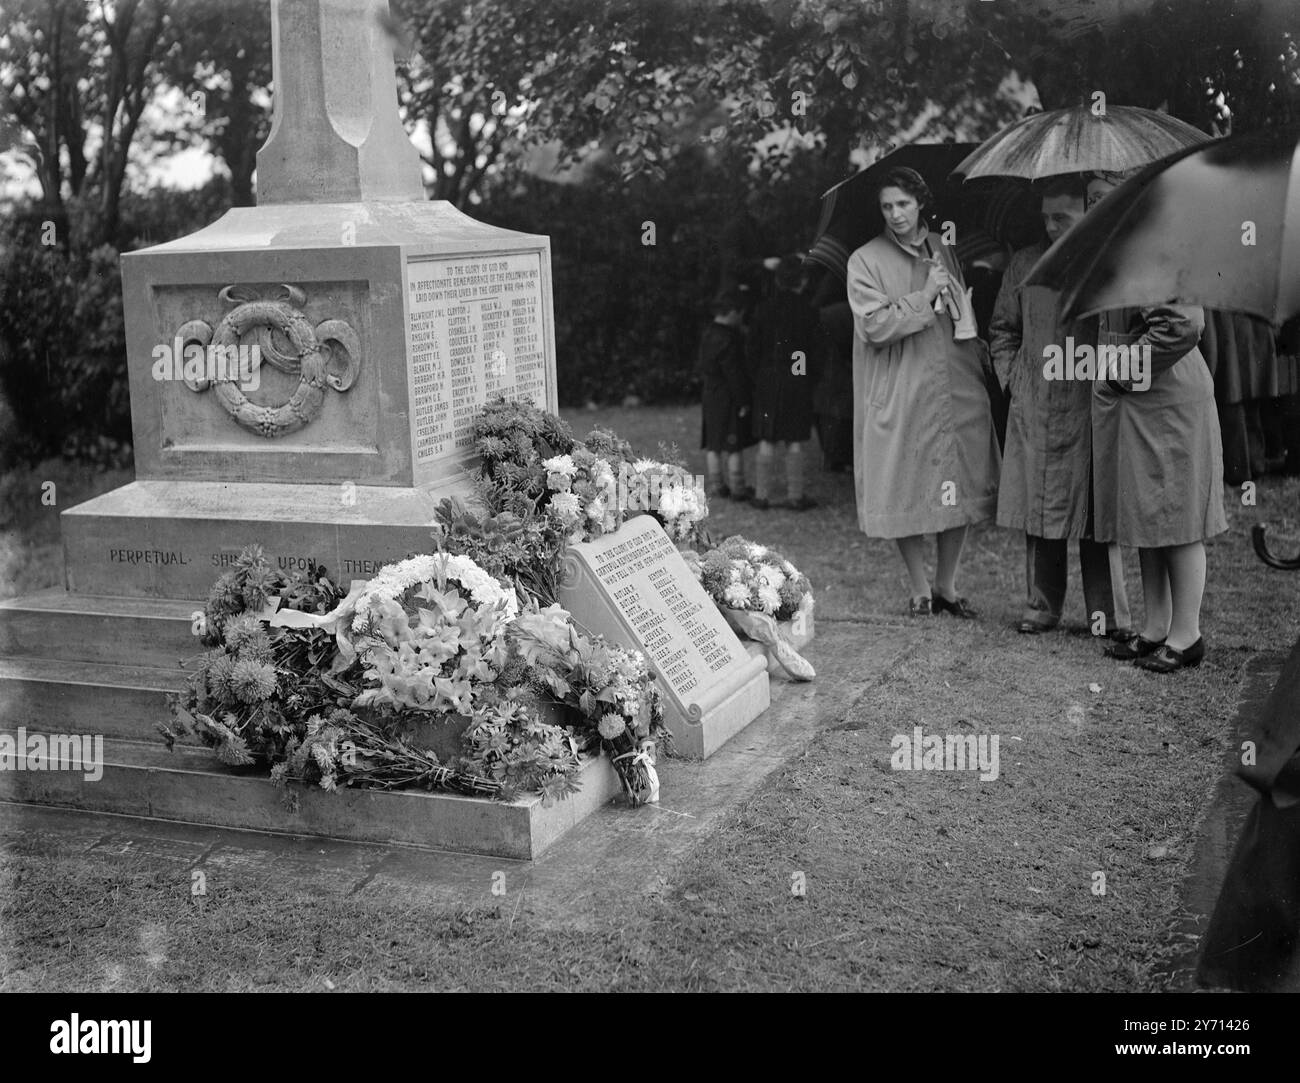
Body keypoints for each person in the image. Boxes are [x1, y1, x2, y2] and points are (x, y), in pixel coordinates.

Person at [1085, 170, 1228, 673]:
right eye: (1091, 200)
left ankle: (1187, 635)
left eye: (1107, 198)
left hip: (1169, 401)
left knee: (1180, 520)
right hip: (1142, 403)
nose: (1096, 208)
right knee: (1150, 516)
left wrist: (1123, 371)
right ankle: (1156, 626)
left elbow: (1183, 326)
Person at [846, 166, 1000, 617]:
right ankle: (919, 589)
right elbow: (874, 326)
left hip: (954, 383)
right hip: (902, 386)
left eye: (904, 205)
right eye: (887, 206)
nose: (895, 214)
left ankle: (947, 586)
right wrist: (924, 294)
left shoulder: (941, 247)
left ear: (921, 204)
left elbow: (955, 311)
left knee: (960, 478)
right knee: (905, 481)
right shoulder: (865, 260)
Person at [990, 174, 1132, 639]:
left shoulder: (1107, 263)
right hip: (1037, 406)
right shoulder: (1025, 264)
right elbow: (1003, 330)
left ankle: (1105, 614)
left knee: (1094, 511)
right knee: (1041, 509)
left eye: (1062, 217)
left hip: (1091, 402)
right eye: (1046, 217)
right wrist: (1014, 378)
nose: (1051, 226)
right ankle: (1042, 605)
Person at [746, 255, 827, 510]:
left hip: (768, 378)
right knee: (794, 440)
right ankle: (795, 496)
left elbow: (751, 349)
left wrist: (758, 375)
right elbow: (817, 352)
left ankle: (762, 495)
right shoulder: (809, 311)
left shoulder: (762, 308)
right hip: (797, 380)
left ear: (778, 279)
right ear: (803, 280)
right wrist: (810, 377)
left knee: (767, 439)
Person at [698, 289, 755, 500]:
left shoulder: (707, 333)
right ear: (732, 312)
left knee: (713, 443)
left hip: (710, 395)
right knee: (733, 444)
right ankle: (738, 488)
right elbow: (735, 374)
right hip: (729, 397)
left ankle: (717, 485)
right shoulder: (730, 338)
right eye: (740, 314)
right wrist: (743, 400)